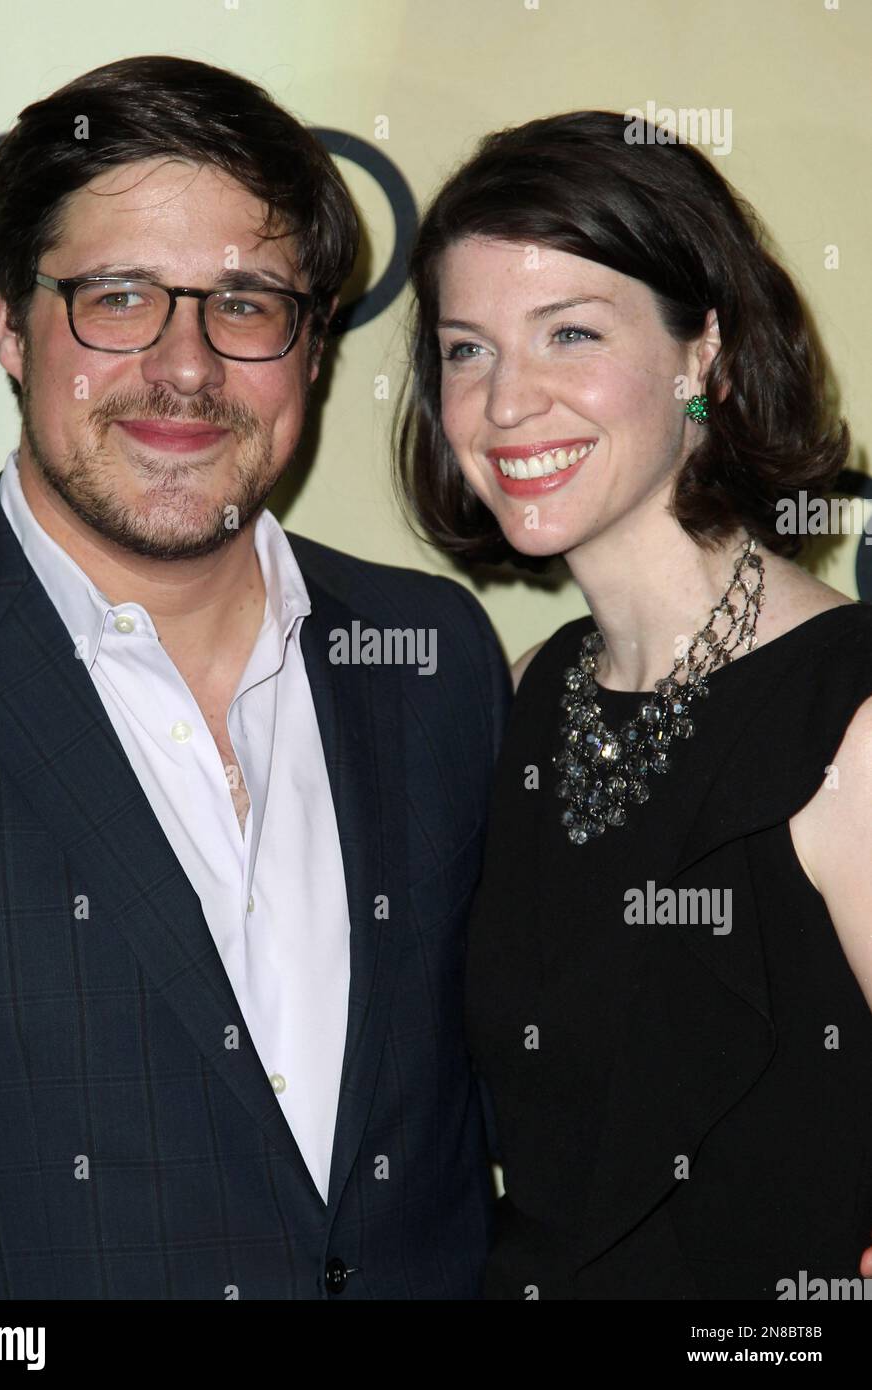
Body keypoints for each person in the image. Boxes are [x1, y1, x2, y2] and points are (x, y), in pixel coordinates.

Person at [0, 55, 512, 1300]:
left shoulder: (435, 658)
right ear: (11, 325)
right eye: (117, 297)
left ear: (314, 348)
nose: (185, 368)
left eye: (245, 302)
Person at [395, 109, 872, 1299]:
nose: (507, 404)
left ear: (699, 352)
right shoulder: (527, 693)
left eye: (570, 332)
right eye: (467, 348)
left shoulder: (851, 720)